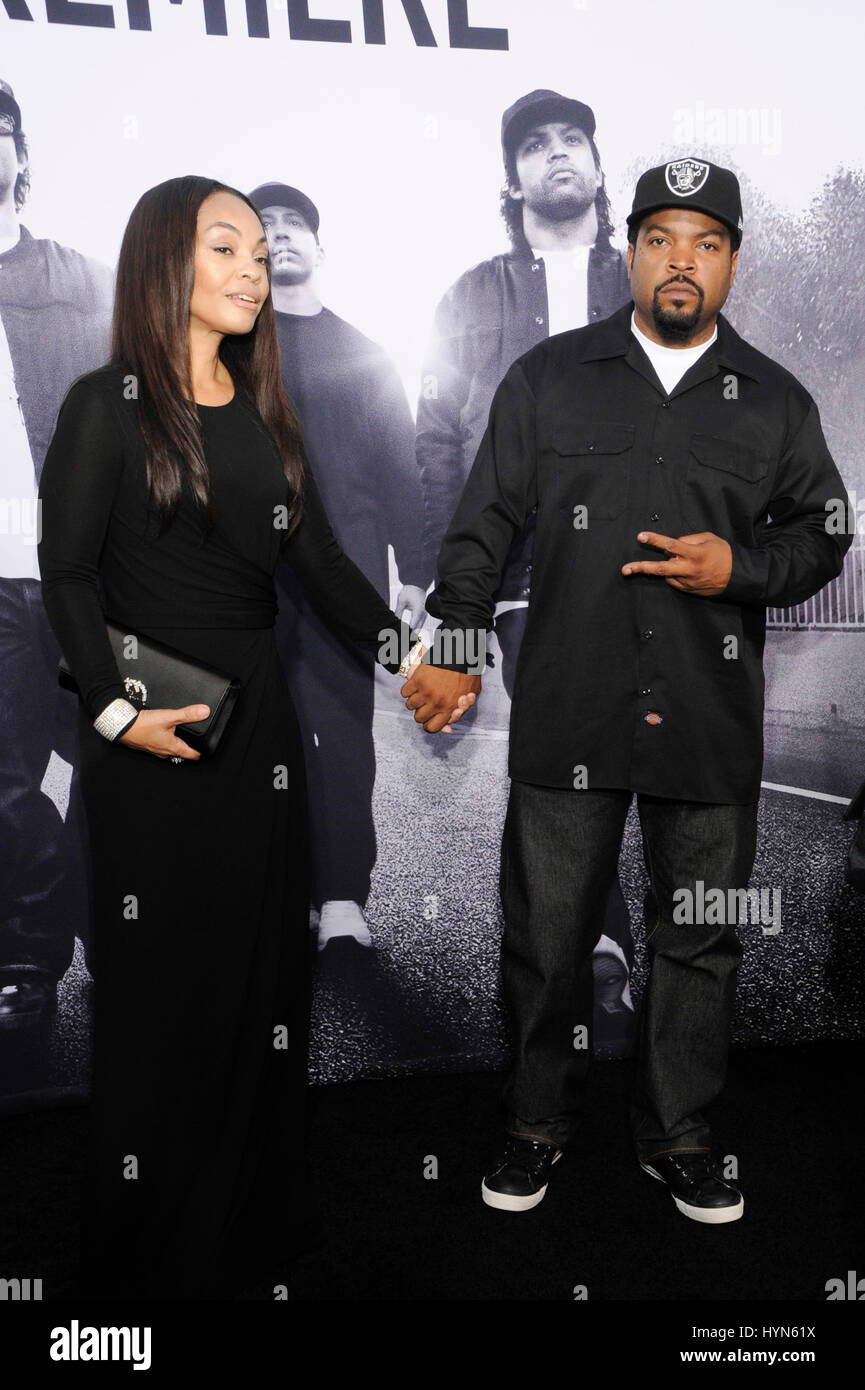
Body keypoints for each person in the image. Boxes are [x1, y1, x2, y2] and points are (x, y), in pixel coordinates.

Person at [401, 159, 853, 1222]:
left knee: (700, 934)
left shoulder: (776, 403)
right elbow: (480, 526)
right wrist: (455, 638)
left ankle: (682, 1135)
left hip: (707, 717)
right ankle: (533, 1125)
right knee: (547, 937)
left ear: (731, 260)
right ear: (631, 248)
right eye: (660, 239)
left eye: (705, 242)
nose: (680, 261)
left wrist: (736, 570)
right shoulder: (546, 378)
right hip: (570, 705)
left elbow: (825, 533)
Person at [36, 175, 460, 1299]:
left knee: (265, 994)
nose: (252, 269)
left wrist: (405, 662)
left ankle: (251, 1232)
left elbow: (319, 570)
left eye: (260, 258)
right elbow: (68, 575)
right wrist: (121, 709)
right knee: (160, 1001)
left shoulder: (265, 415)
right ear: (163, 264)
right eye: (225, 247)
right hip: (146, 741)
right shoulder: (101, 405)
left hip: (259, 733)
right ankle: (143, 1262)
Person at [415, 87, 634, 1047]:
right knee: (563, 742)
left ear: (594, 166)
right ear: (511, 179)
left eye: (570, 141)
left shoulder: (645, 279)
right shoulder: (468, 295)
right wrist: (446, 576)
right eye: (535, 145)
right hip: (524, 575)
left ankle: (605, 944)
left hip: (648, 560)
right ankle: (594, 948)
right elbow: (434, 439)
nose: (554, 155)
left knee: (652, 763)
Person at [249, 182, 428, 956]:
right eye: (265, 227)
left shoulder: (364, 353)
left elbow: (402, 473)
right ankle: (282, 890)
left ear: (319, 249)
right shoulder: (224, 349)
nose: (282, 235)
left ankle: (343, 898)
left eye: (295, 225)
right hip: (247, 584)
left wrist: (417, 575)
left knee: (342, 740)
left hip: (345, 585)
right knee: (258, 746)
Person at [0, 77, 112, 1033]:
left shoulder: (82, 280)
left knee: (125, 764)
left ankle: (105, 926)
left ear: (21, 156)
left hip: (85, 574)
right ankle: (29, 964)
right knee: (3, 779)